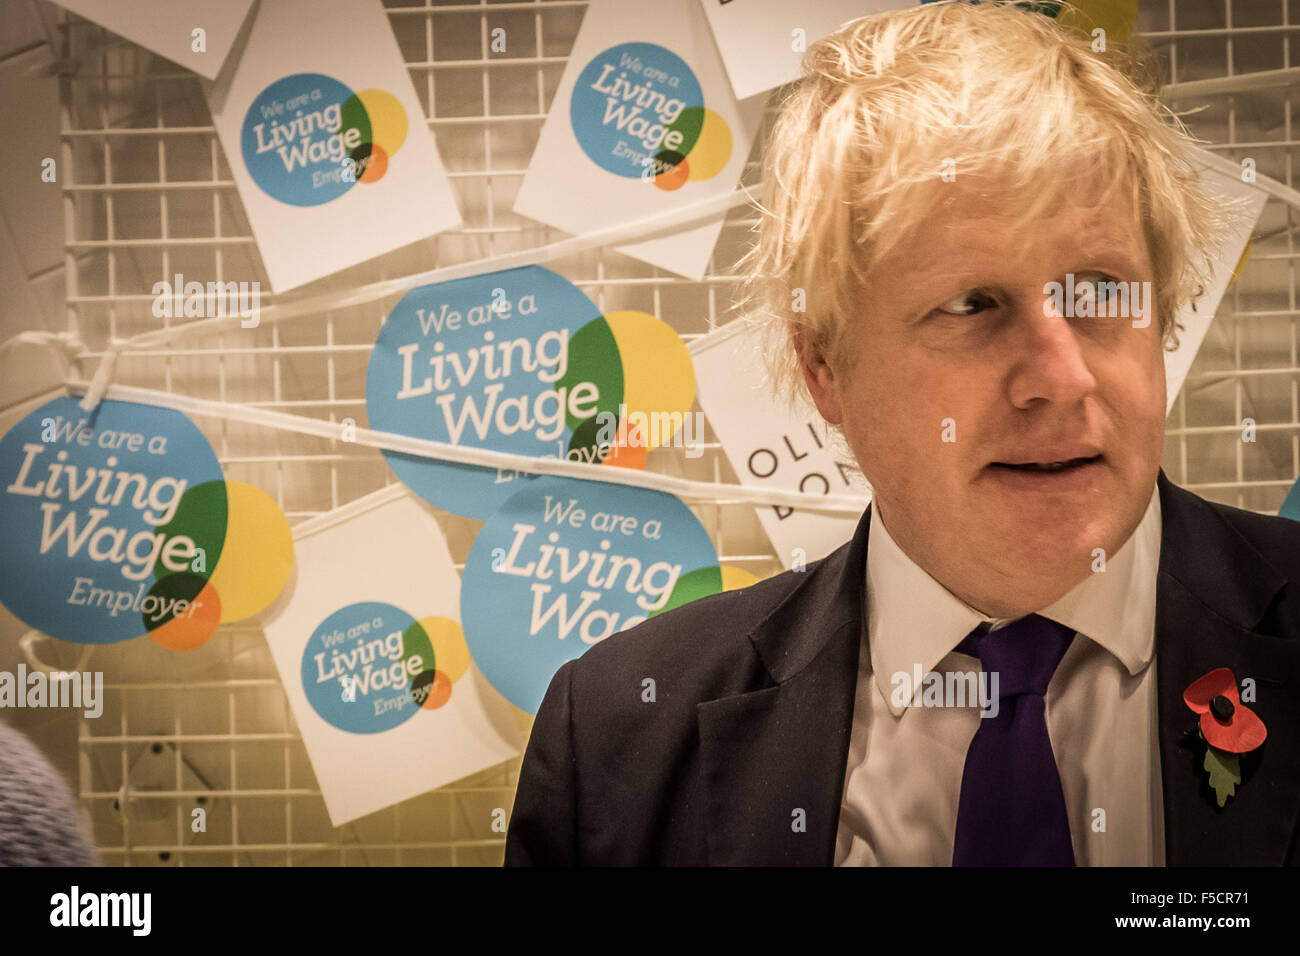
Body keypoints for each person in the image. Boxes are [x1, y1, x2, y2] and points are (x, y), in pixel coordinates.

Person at [504, 0, 1300, 866]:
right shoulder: (621, 737)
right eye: (971, 304)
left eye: (1102, 290)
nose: (1063, 377)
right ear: (825, 367)